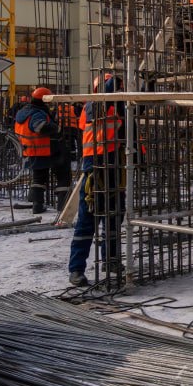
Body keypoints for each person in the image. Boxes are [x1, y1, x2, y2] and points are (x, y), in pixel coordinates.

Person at [69, 73, 127, 287]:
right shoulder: (93, 106)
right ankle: (76, 269)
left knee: (114, 218)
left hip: (113, 167)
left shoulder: (117, 107)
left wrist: (147, 84)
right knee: (87, 221)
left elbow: (135, 110)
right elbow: (106, 103)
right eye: (116, 87)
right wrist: (113, 86)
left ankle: (110, 261)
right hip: (94, 168)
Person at [14, 88, 70, 214]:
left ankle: (37, 205)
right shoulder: (37, 113)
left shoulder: (23, 112)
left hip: (33, 151)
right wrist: (57, 128)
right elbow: (39, 127)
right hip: (47, 149)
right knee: (63, 176)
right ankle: (63, 207)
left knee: (38, 179)